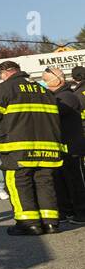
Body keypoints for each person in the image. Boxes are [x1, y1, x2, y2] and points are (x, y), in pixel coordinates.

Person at [0, 60, 63, 235]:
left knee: (18, 182)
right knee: (44, 182)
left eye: (0, 75)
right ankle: (50, 222)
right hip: (49, 147)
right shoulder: (43, 90)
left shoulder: (6, 88)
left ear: (5, 73)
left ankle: (28, 223)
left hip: (18, 147)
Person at [43, 67, 85, 225]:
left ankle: (82, 213)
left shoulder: (67, 97)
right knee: (62, 182)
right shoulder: (57, 96)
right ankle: (67, 211)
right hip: (61, 149)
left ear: (58, 80)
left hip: (73, 148)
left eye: (47, 81)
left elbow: (52, 116)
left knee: (76, 182)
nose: (45, 84)